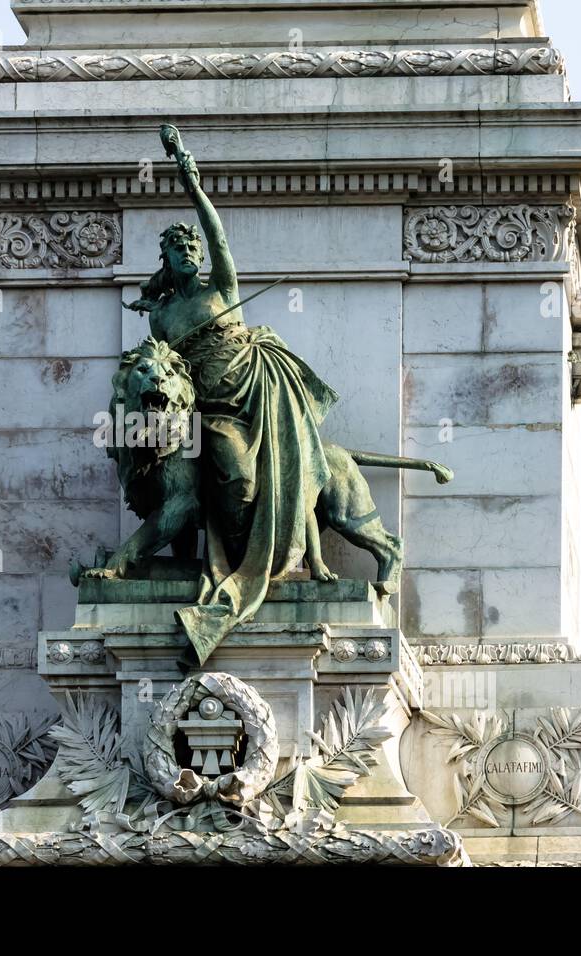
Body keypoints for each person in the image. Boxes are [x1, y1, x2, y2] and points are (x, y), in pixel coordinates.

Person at [125, 125, 340, 664]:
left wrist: (190, 180)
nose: (190, 252)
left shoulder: (224, 287)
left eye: (192, 246)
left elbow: (219, 235)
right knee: (232, 481)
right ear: (167, 262)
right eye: (179, 249)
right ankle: (223, 562)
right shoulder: (164, 314)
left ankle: (272, 558)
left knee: (259, 476)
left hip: (256, 390)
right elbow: (163, 370)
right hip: (211, 410)